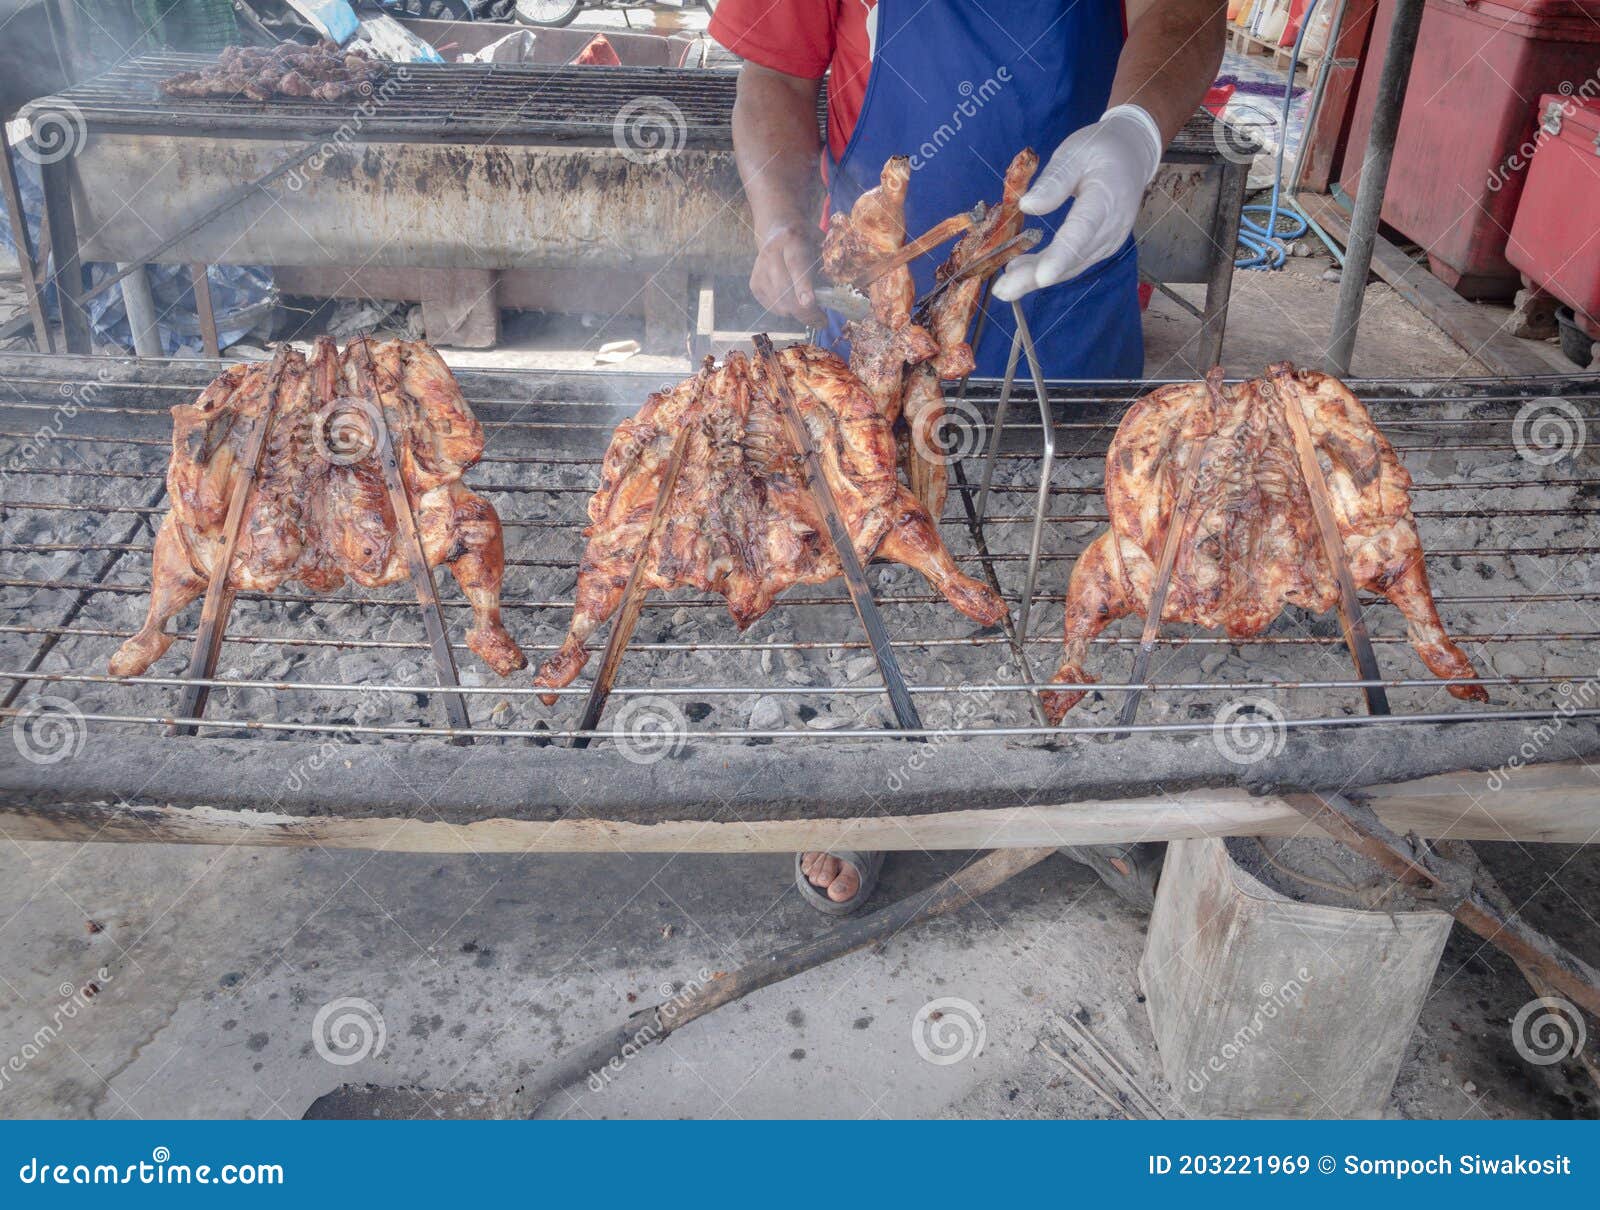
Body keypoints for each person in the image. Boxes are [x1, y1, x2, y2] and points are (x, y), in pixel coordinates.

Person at [710, 0, 1225, 912]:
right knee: (874, 564)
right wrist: (778, 223)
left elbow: (1183, 11)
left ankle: (1072, 796)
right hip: (877, 313)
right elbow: (777, 74)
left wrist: (1134, 134)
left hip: (1062, 279)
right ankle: (868, 796)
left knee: (1075, 564)